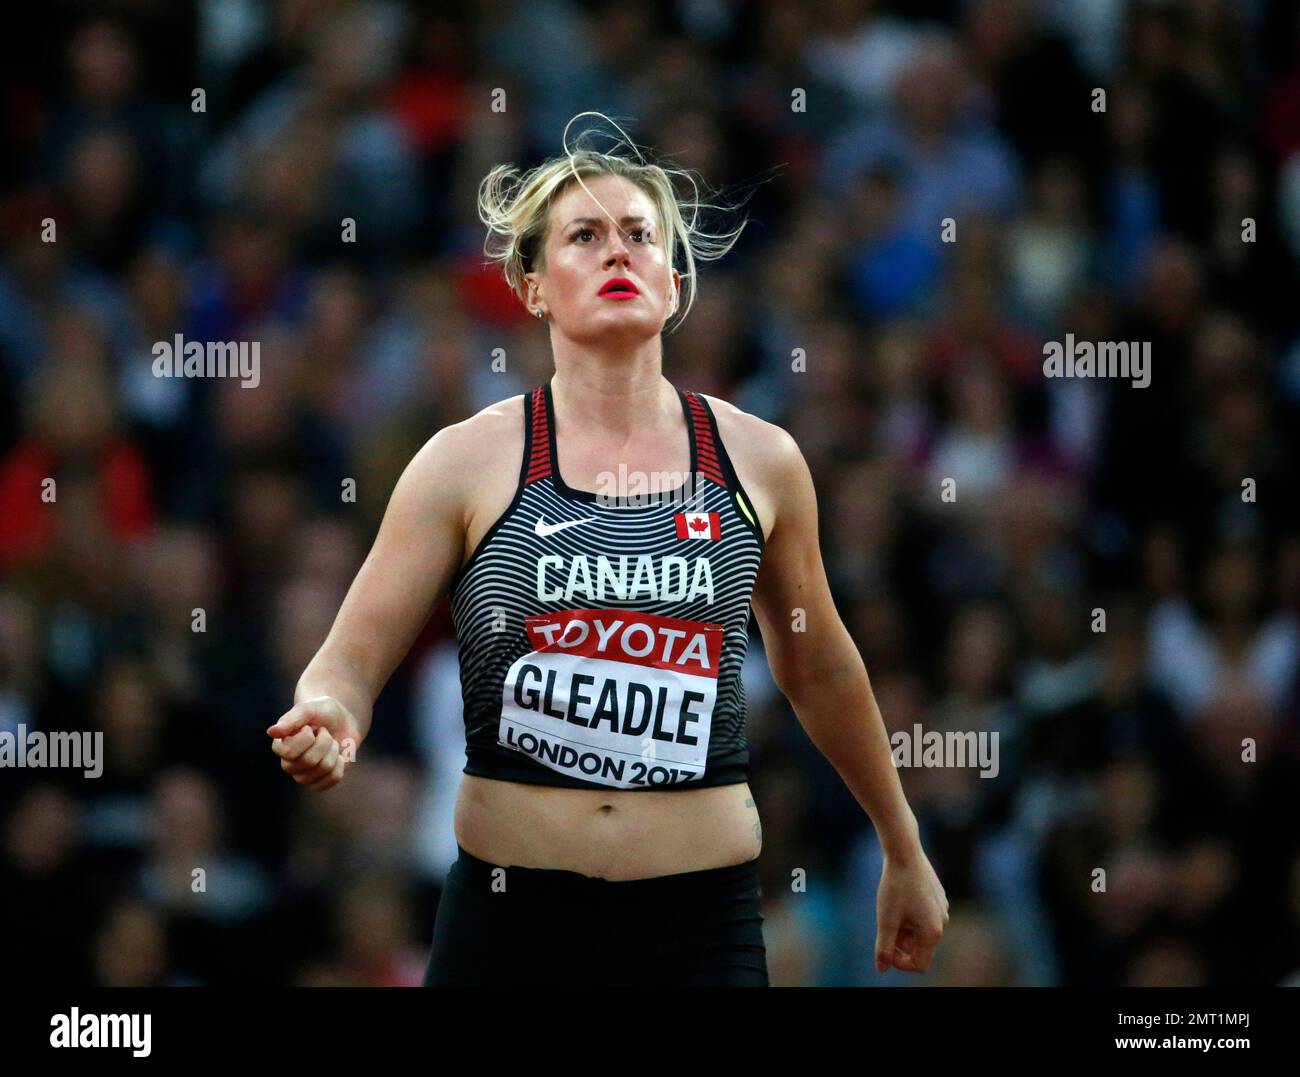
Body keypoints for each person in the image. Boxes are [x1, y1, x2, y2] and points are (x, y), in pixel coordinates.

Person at [266, 116, 948, 986]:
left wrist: (902, 843)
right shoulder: (465, 460)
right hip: (511, 922)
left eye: (639, 236)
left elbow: (819, 668)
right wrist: (328, 712)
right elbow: (349, 660)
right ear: (534, 284)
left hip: (699, 924)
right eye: (584, 236)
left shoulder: (759, 459)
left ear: (674, 278)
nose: (617, 253)